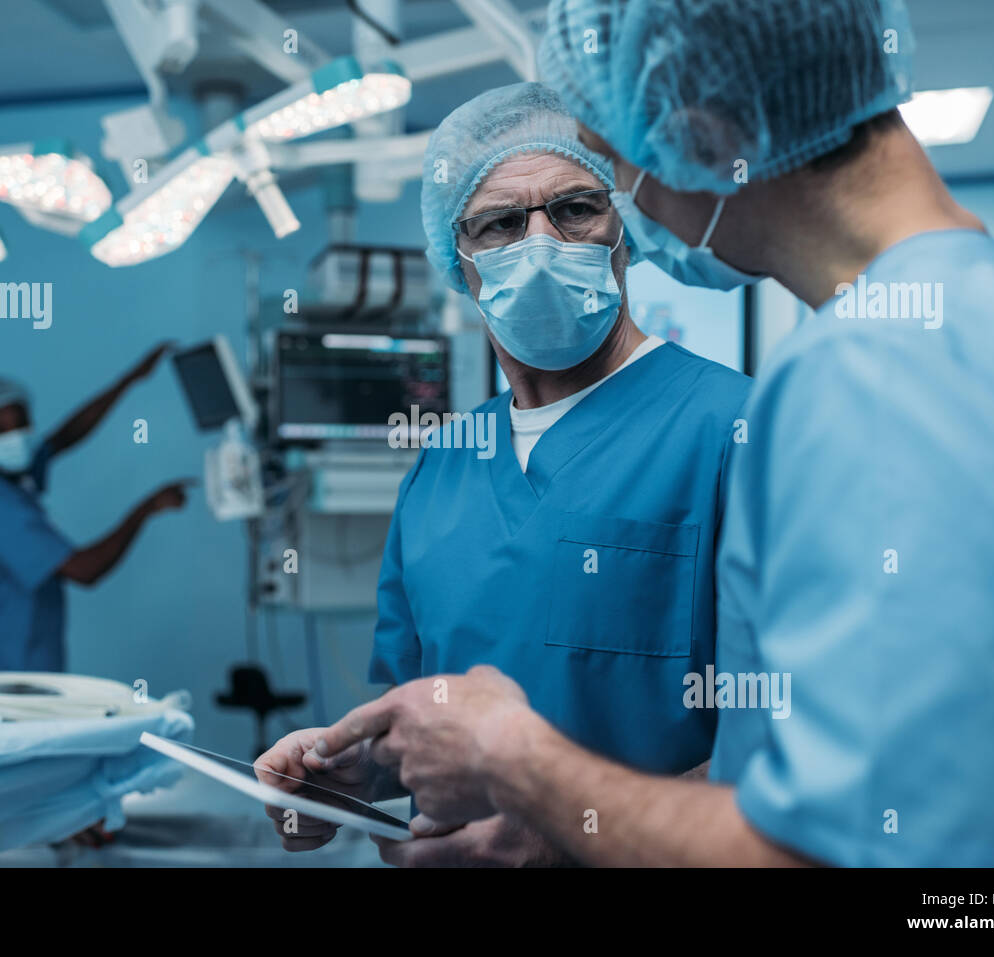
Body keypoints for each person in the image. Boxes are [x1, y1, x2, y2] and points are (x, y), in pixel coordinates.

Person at [305, 0, 994, 868]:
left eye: (608, 173)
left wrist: (540, 791)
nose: (640, 211)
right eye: (499, 223)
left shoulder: (883, 368)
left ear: (702, 135)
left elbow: (889, 861)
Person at [257, 82, 751, 866]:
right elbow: (410, 725)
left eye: (576, 208)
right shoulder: (441, 467)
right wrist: (343, 774)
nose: (541, 240)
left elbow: (805, 745)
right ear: (459, 259)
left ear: (626, 223)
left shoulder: (735, 430)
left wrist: (571, 832)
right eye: (499, 223)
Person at [0, 344, 192, 673]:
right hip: (9, 678)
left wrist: (129, 380)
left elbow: (66, 435)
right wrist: (146, 510)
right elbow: (84, 570)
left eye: (20, 424)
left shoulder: (10, 474)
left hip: (31, 665)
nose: (13, 437)